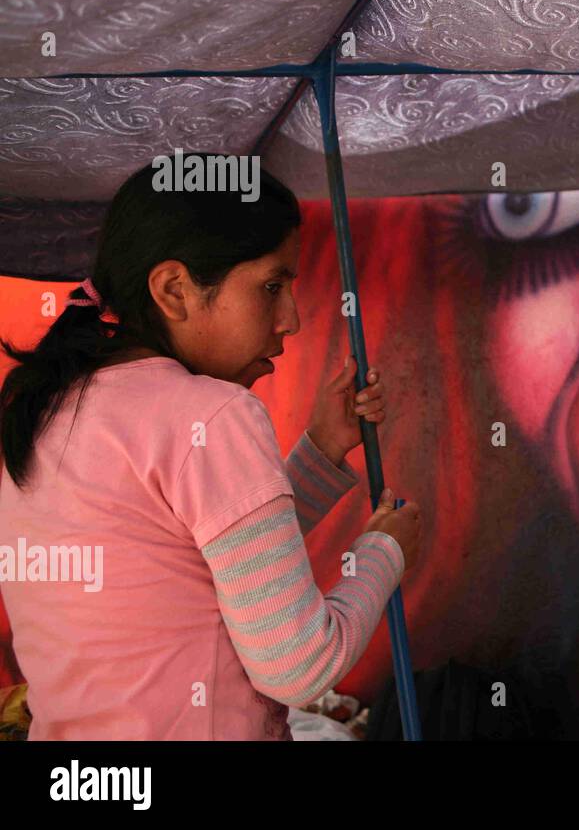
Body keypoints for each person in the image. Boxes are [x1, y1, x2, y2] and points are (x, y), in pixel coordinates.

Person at [0, 158, 423, 740]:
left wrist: (323, 449)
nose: (292, 319)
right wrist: (383, 553)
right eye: (272, 286)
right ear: (175, 289)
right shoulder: (212, 412)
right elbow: (298, 669)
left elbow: (218, 560)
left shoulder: (47, 406)